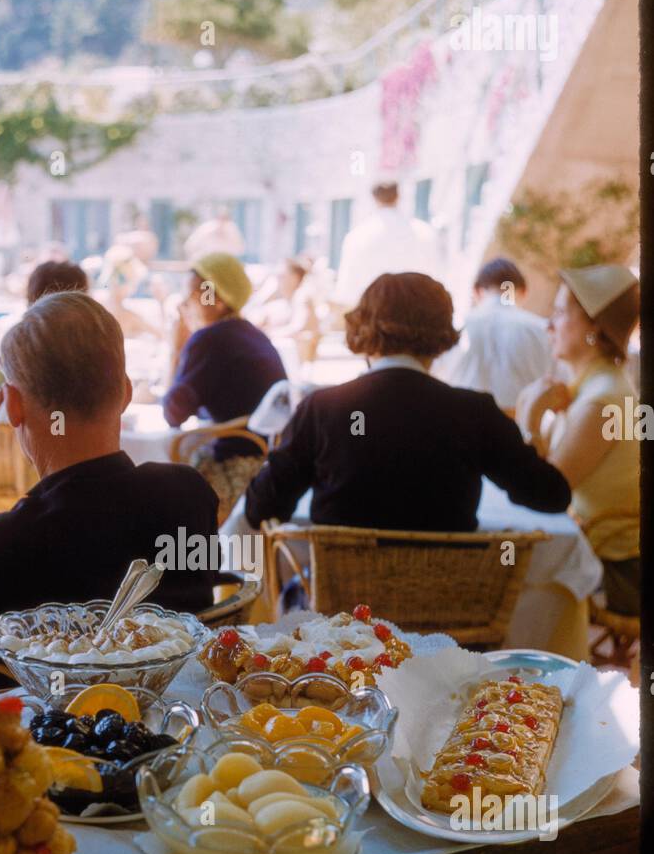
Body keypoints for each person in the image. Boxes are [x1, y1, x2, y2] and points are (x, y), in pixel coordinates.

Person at [0, 293, 221, 640]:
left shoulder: (3, 546)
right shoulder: (191, 494)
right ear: (125, 393)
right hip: (179, 701)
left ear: (13, 406)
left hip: (35, 707)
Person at [245, 272, 572, 533]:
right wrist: (532, 425)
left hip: (343, 613)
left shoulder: (322, 409)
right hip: (451, 605)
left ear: (364, 331)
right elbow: (552, 496)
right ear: (442, 337)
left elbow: (260, 509)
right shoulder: (476, 413)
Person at [516, 265, 641, 616]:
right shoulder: (594, 387)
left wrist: (530, 419)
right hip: (593, 552)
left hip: (616, 574)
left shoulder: (601, 400)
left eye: (559, 313)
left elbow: (544, 494)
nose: (548, 324)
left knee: (505, 578)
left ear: (594, 330)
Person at [164, 253, 287, 517]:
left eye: (191, 295)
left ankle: (178, 559)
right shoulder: (252, 335)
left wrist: (176, 346)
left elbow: (173, 414)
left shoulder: (209, 340)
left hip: (231, 470)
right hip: (267, 468)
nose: (183, 305)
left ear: (217, 300)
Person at [435, 257, 554, 415]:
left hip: (460, 425)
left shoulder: (453, 328)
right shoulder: (544, 330)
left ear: (476, 291)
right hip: (519, 431)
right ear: (524, 291)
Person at [333, 182, 435, 311]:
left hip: (373, 314)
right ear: (398, 195)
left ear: (374, 198)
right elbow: (435, 277)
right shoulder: (424, 232)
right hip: (414, 313)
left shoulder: (357, 236)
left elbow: (346, 290)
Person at [251, 257, 321, 362]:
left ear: (295, 277)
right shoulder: (288, 300)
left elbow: (298, 326)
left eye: (282, 276)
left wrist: (268, 334)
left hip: (299, 353)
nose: (277, 280)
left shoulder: (302, 295)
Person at [93, 244, 162, 339]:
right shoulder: (130, 317)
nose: (134, 287)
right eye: (133, 281)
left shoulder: (95, 303)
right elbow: (161, 336)